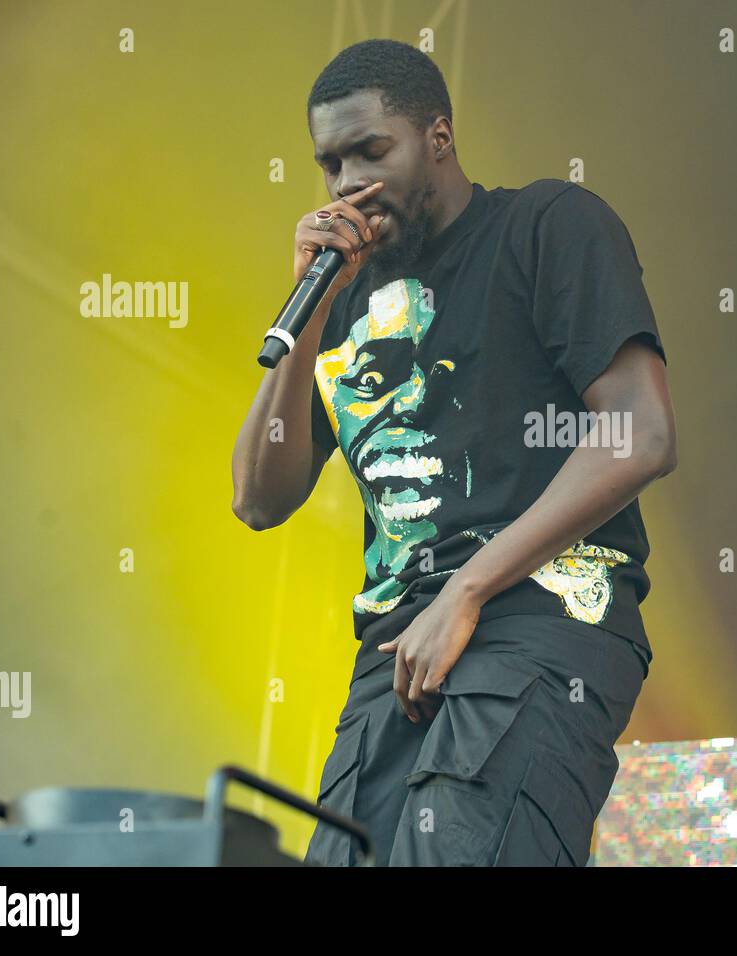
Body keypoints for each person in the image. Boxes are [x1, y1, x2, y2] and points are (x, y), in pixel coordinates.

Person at [230, 38, 676, 866]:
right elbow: (260, 498)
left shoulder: (545, 225)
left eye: (372, 151)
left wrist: (466, 589)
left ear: (438, 137)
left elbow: (640, 432)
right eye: (330, 163)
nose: (348, 183)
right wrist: (312, 315)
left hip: (542, 621)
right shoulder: (344, 297)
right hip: (399, 654)